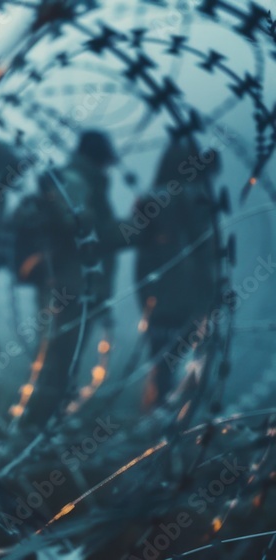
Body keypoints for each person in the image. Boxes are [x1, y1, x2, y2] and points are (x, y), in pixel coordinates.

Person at [16, 130, 123, 426]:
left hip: (73, 285)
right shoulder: (76, 182)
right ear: (98, 159)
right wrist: (138, 226)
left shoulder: (77, 181)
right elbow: (85, 230)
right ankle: (34, 431)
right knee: (56, 362)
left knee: (60, 362)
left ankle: (43, 428)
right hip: (68, 286)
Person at [130, 139, 221, 407]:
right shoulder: (196, 199)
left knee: (163, 367)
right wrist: (212, 292)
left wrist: (145, 296)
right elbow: (205, 252)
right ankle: (178, 426)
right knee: (194, 366)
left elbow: (141, 254)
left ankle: (158, 423)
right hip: (189, 297)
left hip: (157, 298)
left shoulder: (152, 199)